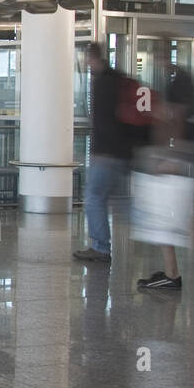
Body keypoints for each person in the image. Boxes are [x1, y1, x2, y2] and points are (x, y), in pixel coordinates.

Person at [75, 42, 141, 263]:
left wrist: (99, 150)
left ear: (90, 57)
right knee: (120, 200)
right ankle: (150, 230)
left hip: (106, 153)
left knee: (94, 198)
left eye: (86, 58)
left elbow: (103, 121)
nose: (85, 63)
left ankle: (101, 247)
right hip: (122, 153)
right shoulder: (117, 78)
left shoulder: (103, 83)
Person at [137, 49, 194, 290]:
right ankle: (171, 273)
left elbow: (177, 121)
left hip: (183, 161)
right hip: (184, 159)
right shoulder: (182, 80)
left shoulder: (180, 83)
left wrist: (171, 157)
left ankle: (172, 274)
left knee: (173, 221)